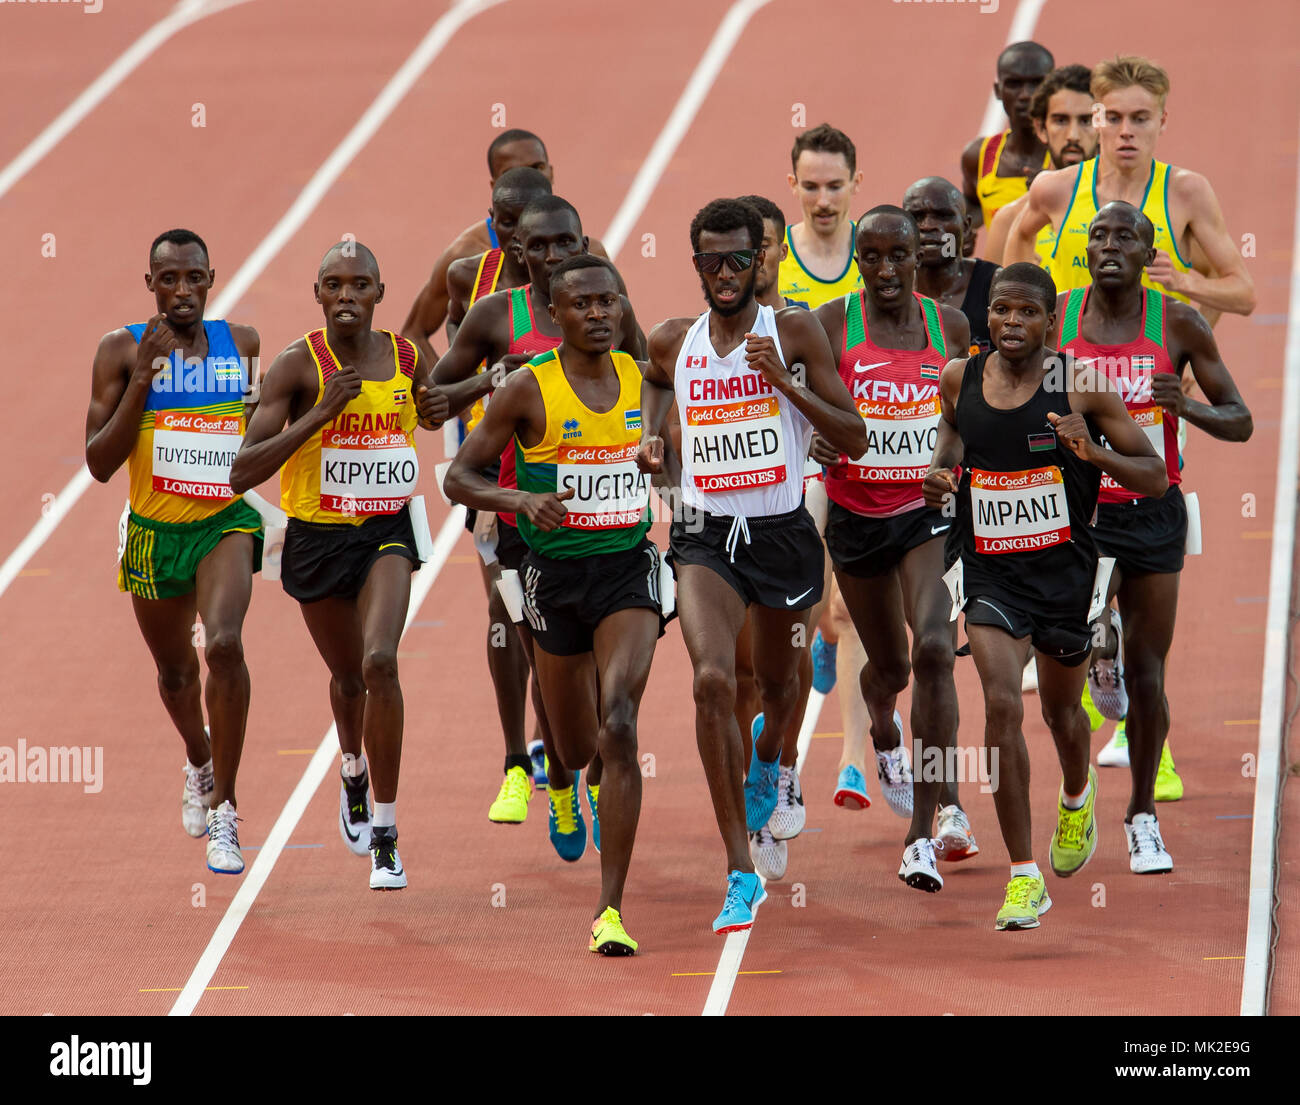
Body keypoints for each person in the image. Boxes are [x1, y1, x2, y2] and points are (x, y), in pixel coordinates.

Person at [637, 198, 867, 934]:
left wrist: (788, 384)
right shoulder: (676, 339)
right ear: (697, 264)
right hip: (705, 535)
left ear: (761, 259)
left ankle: (771, 753)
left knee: (780, 682)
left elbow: (854, 435)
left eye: (741, 258)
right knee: (711, 679)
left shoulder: (792, 331)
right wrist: (651, 439)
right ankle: (740, 868)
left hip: (781, 532)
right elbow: (652, 376)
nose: (728, 271)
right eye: (713, 260)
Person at [923, 262, 1167, 930]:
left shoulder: (1079, 384)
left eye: (1026, 312)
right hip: (989, 570)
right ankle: (1024, 876)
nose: (1010, 323)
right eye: (1000, 310)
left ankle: (1076, 792)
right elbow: (952, 436)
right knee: (1001, 702)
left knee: (1064, 716)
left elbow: (1152, 474)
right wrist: (940, 476)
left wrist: (1094, 452)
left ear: (1051, 322)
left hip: (1064, 576)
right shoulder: (959, 376)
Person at [446, 254, 662, 955]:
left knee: (621, 724)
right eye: (585, 304)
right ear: (556, 314)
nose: (600, 314)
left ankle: (610, 909)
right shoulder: (526, 390)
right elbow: (458, 474)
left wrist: (667, 458)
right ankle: (564, 781)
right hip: (553, 580)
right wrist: (517, 499)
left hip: (628, 571)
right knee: (575, 743)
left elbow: (683, 447)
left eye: (610, 302)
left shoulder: (644, 377)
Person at [230, 242, 449, 890]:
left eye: (360, 285)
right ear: (318, 293)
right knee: (349, 678)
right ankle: (351, 767)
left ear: (381, 291)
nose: (347, 295)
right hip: (318, 538)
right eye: (335, 285)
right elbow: (243, 468)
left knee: (381, 661)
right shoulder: (299, 365)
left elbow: (439, 405)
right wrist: (321, 413)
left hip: (387, 532)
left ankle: (385, 831)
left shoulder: (406, 356)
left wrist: (446, 403)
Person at [1056, 202, 1252, 873]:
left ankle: (1142, 813)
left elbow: (1241, 418)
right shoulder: (1056, 317)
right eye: (1097, 235)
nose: (1108, 245)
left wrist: (1186, 404)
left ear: (1149, 252)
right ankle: (1095, 644)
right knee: (1070, 646)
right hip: (1077, 513)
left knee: (1148, 671)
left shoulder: (1177, 321)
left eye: (1125, 237)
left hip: (1151, 510)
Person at [86, 229, 263, 876]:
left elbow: (252, 434)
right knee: (176, 675)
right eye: (169, 279)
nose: (182, 290)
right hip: (154, 535)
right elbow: (100, 464)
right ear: (150, 284)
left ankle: (227, 806)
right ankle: (199, 757)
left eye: (194, 278)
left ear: (212, 278)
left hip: (225, 523)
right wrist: (142, 375)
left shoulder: (240, 343)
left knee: (223, 645)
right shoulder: (118, 349)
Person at [810, 207, 976, 892]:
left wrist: (953, 463)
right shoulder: (830, 324)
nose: (883, 269)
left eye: (896, 255)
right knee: (891, 669)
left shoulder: (951, 327)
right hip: (855, 519)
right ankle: (883, 727)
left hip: (925, 515)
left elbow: (963, 417)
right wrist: (817, 436)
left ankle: (930, 827)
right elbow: (799, 399)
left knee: (936, 648)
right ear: (857, 259)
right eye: (870, 256)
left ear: (918, 257)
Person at [407, 167, 555, 800]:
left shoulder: (592, 282)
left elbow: (634, 372)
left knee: (569, 621)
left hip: (580, 471)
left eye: (540, 231)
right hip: (499, 470)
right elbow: (430, 390)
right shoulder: (472, 277)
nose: (524, 242)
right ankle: (518, 760)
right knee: (508, 608)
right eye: (509, 225)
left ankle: (572, 762)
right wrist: (490, 385)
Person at [1006, 56, 1256, 325]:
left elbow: (1243, 295)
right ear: (1097, 119)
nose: (1126, 132)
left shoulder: (1187, 192)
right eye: (1114, 118)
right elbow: (1020, 236)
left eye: (1140, 119)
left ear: (1162, 121)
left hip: (1150, 366)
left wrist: (1184, 288)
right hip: (1071, 363)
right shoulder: (1055, 188)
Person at [403, 130, 611, 355]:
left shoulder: (588, 256)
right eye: (512, 172)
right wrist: (457, 380)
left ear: (550, 173)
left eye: (536, 168)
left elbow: (624, 335)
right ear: (496, 185)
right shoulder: (466, 257)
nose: (526, 177)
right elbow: (415, 332)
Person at [983, 64, 1098, 266]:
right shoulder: (1009, 220)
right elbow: (990, 298)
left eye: (1086, 121)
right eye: (1061, 120)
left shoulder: (1129, 213)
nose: (1073, 135)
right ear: (1040, 128)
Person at [960, 41, 1055, 242]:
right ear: (997, 90)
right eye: (1014, 84)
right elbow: (973, 204)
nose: (1025, 95)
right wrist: (960, 229)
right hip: (1003, 273)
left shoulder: (1070, 158)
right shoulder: (978, 156)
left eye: (1036, 83)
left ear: (1054, 89)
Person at [903, 176, 1001, 354]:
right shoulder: (891, 287)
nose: (928, 226)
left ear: (966, 226)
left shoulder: (996, 285)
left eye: (942, 216)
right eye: (917, 217)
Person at [780, 124, 864, 309]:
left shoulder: (878, 251)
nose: (823, 201)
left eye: (834, 187)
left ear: (856, 182)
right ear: (793, 184)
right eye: (811, 187)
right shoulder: (770, 258)